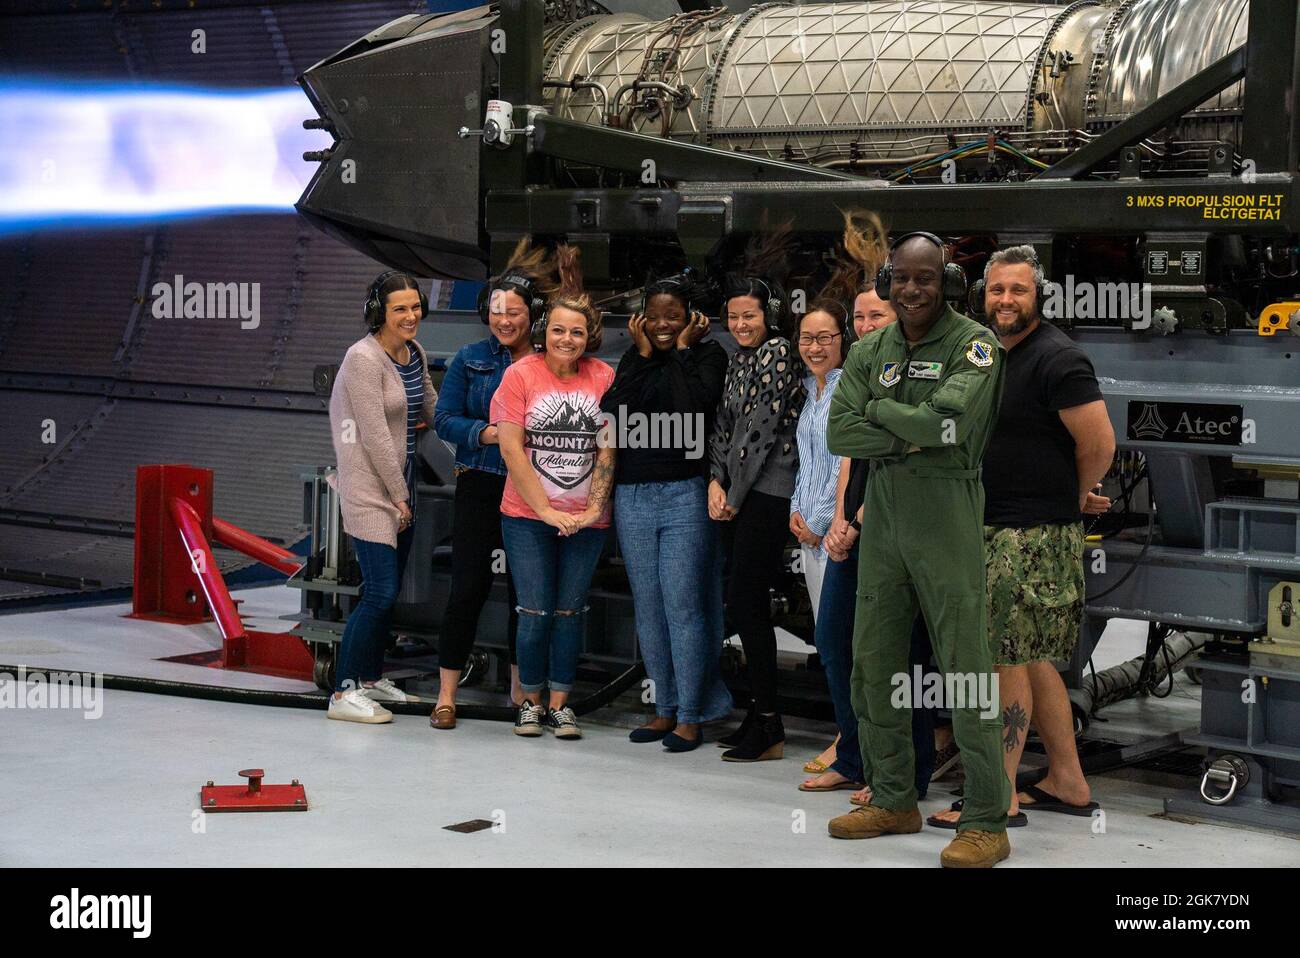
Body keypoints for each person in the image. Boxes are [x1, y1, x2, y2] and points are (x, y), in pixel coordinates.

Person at [826, 232, 1011, 868]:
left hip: (947, 515)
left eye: (924, 279)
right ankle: (895, 796)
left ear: (947, 282)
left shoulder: (975, 345)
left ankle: (987, 817)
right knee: (872, 662)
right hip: (885, 521)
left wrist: (883, 414)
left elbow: (951, 426)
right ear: (886, 283)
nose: (910, 290)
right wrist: (910, 431)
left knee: (964, 669)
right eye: (899, 278)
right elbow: (838, 429)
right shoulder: (870, 347)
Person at [927, 246, 1114, 829]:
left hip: (1028, 537)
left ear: (1039, 295)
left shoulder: (1059, 358)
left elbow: (1100, 444)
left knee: (1000, 661)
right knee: (1030, 661)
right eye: (997, 290)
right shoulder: (987, 354)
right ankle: (1067, 781)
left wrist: (1072, 497)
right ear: (983, 295)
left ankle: (998, 795)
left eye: (1019, 290)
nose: (1006, 300)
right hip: (991, 525)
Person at [601, 271, 732, 752]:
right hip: (633, 495)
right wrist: (640, 355)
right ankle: (665, 709)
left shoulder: (707, 355)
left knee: (683, 607)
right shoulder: (634, 359)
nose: (661, 324)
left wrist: (679, 350)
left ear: (692, 320)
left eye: (671, 317)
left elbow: (693, 407)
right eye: (653, 317)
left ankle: (693, 715)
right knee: (650, 610)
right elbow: (612, 412)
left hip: (685, 494)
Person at [430, 239, 558, 729]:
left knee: (526, 594)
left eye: (515, 312)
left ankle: (521, 696)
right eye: (497, 312)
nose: (505, 321)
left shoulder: (549, 362)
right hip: (481, 483)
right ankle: (446, 697)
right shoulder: (469, 358)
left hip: (530, 487)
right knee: (468, 588)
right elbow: (445, 419)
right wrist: (488, 433)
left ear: (533, 314)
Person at [492, 246, 615, 740]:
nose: (567, 338)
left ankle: (561, 704)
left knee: (569, 611)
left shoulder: (605, 377)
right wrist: (544, 509)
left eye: (577, 331)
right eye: (559, 329)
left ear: (590, 337)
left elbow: (607, 450)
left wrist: (591, 509)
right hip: (526, 517)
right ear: (545, 330)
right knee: (535, 611)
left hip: (586, 522)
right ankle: (530, 702)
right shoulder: (521, 375)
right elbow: (511, 449)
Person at [709, 229, 805, 763]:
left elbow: (760, 432)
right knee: (742, 605)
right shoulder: (737, 359)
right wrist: (716, 481)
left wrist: (735, 495)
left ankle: (769, 723)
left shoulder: (776, 354)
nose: (741, 325)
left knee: (748, 602)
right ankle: (759, 714)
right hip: (740, 493)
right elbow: (725, 426)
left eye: (750, 316)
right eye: (734, 317)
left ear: (768, 315)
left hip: (768, 494)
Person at [326, 271, 436, 724]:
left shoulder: (414, 353)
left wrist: (480, 434)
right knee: (380, 592)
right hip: (371, 489)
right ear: (379, 312)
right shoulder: (363, 360)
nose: (411, 317)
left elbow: (432, 405)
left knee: (384, 595)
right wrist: (398, 496)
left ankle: (370, 680)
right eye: (400, 309)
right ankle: (343, 693)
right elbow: (373, 436)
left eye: (415, 307)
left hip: (400, 485)